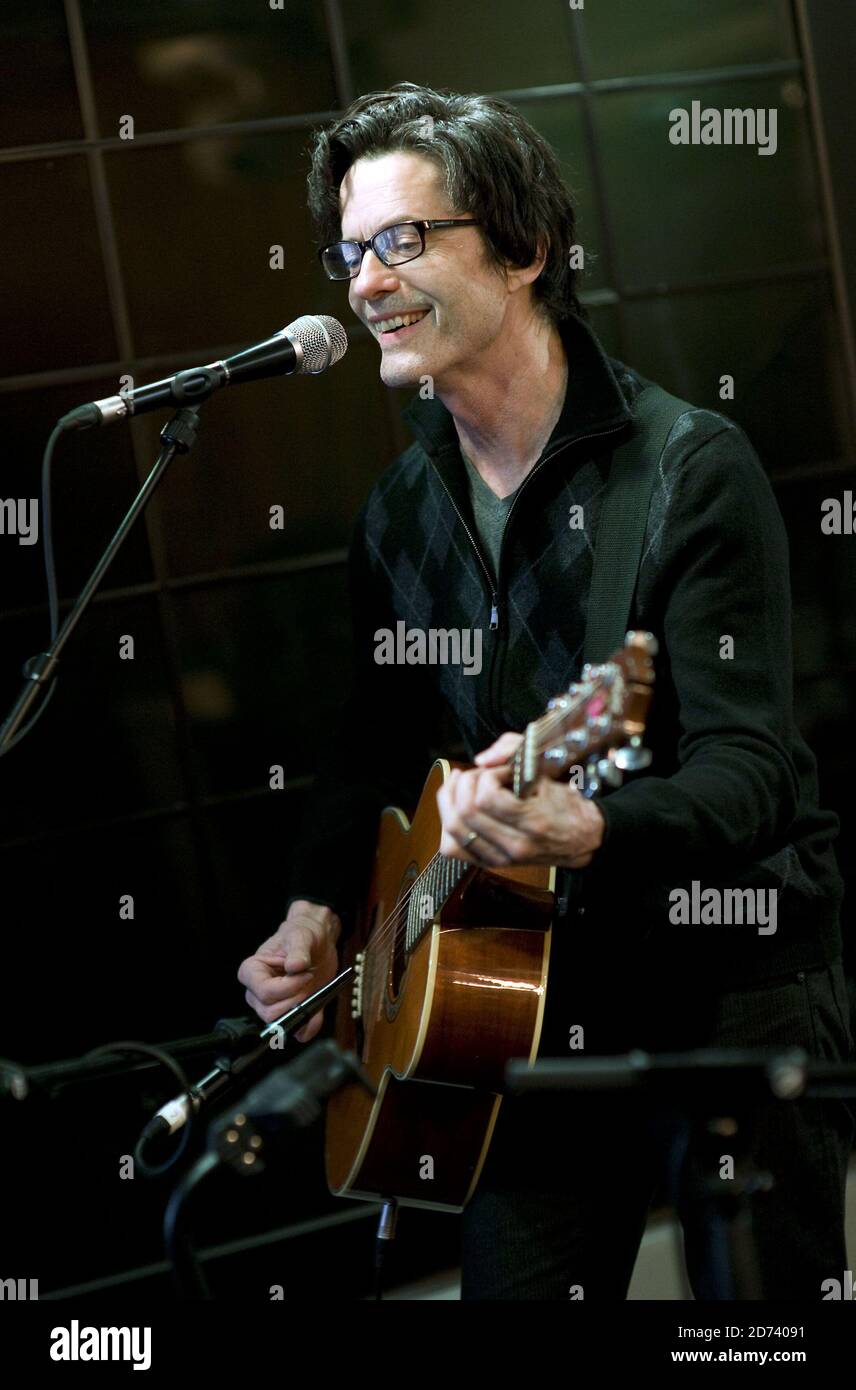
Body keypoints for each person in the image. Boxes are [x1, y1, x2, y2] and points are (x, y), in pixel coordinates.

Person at [237, 83, 853, 1300]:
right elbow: (375, 739)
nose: (364, 284)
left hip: (727, 982)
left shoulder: (685, 471)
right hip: (515, 993)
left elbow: (754, 768)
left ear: (521, 251)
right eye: (351, 252)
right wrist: (315, 908)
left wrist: (595, 828)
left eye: (404, 240)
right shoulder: (400, 510)